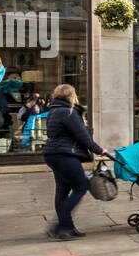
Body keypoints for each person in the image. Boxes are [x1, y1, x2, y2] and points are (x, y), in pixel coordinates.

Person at [43, 84, 106, 240]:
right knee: (81, 186)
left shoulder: (53, 110)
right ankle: (60, 225)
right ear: (72, 95)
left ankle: (67, 227)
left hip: (52, 154)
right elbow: (83, 136)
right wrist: (100, 150)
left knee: (62, 189)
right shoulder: (68, 112)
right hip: (65, 155)